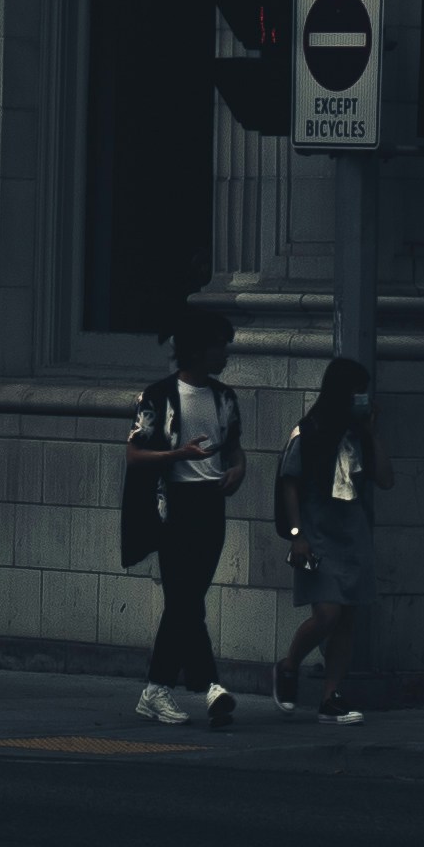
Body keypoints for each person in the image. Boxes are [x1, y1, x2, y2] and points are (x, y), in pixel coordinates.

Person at [121, 297, 246, 724]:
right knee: (185, 599)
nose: (226, 353)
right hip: (173, 507)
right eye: (220, 346)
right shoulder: (158, 396)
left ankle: (159, 689)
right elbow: (134, 454)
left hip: (211, 504)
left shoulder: (225, 398)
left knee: (187, 600)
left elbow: (235, 450)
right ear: (198, 349)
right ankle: (208, 687)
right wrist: (177, 454)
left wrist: (238, 470)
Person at [273, 352, 388, 724]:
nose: (362, 400)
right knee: (327, 614)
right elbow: (289, 484)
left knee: (347, 619)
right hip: (318, 535)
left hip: (352, 537)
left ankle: (331, 695)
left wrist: (371, 432)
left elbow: (385, 478)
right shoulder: (308, 432)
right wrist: (296, 534)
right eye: (357, 393)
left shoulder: (357, 436)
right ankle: (289, 665)